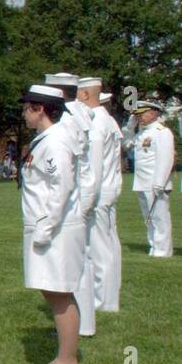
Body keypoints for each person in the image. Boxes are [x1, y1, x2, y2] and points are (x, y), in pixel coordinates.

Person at [18, 84, 81, 364]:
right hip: (44, 226)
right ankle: (64, 357)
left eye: (26, 107)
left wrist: (45, 228)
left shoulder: (55, 141)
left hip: (54, 229)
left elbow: (62, 187)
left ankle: (68, 360)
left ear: (39, 108)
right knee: (53, 291)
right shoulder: (46, 139)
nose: (23, 113)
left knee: (59, 293)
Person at [46, 72, 99, 337]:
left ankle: (77, 327)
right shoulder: (80, 115)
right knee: (80, 261)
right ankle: (83, 324)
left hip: (72, 198)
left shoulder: (66, 120)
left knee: (69, 268)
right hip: (80, 193)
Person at [76, 78, 123, 311]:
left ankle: (103, 301)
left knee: (98, 248)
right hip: (109, 189)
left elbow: (94, 166)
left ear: (85, 95)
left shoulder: (96, 124)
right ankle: (110, 296)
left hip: (98, 192)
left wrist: (86, 200)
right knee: (110, 244)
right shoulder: (109, 120)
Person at [129, 96, 174, 257]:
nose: (139, 116)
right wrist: (129, 128)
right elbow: (125, 144)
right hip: (142, 181)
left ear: (154, 113)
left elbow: (166, 158)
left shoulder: (162, 132)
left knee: (159, 217)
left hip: (156, 182)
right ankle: (154, 246)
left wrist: (159, 182)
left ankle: (163, 250)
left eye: (143, 113)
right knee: (148, 217)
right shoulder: (141, 133)